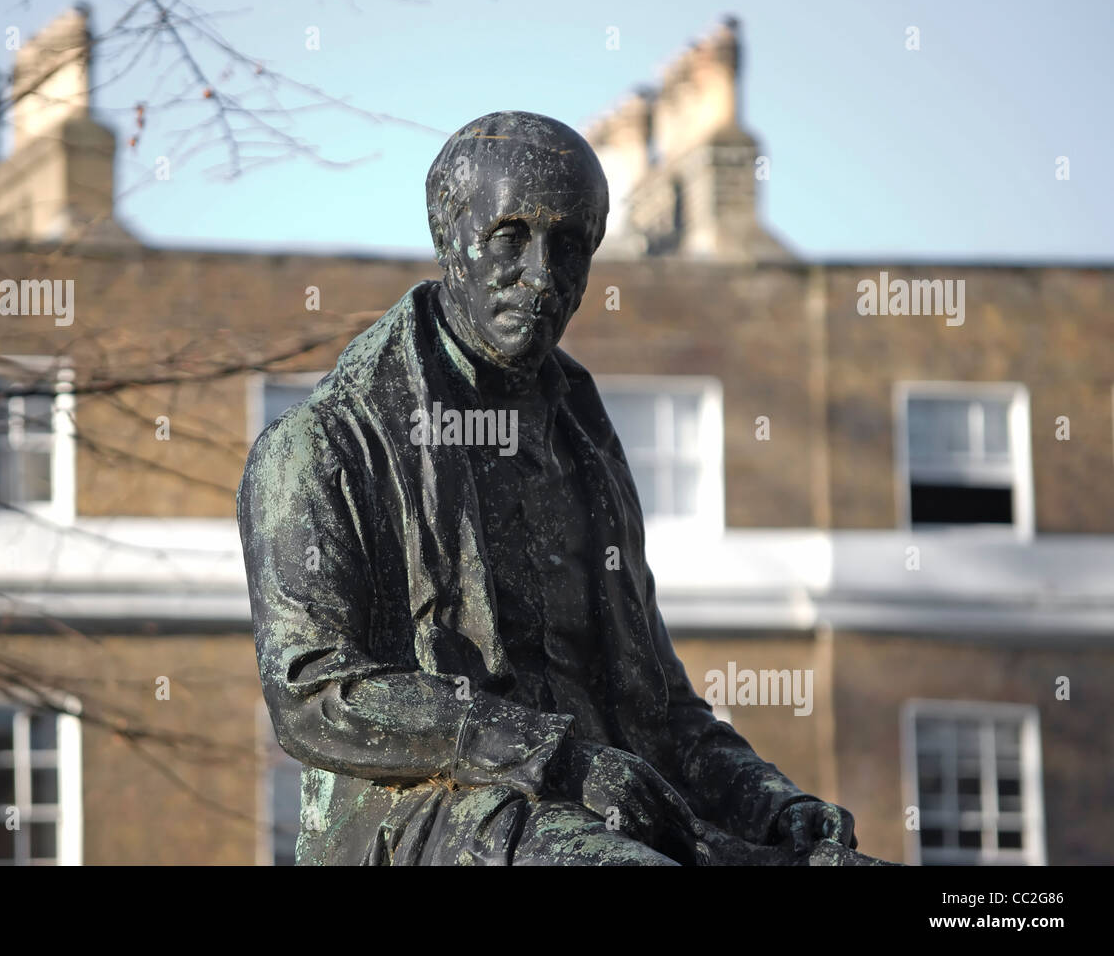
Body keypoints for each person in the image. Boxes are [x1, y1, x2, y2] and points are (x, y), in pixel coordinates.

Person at [237, 111, 859, 865]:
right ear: (449, 238)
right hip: (422, 822)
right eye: (511, 236)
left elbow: (663, 714)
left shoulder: (586, 453)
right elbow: (316, 697)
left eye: (570, 246)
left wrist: (771, 804)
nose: (541, 275)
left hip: (613, 811)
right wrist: (555, 758)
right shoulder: (325, 447)